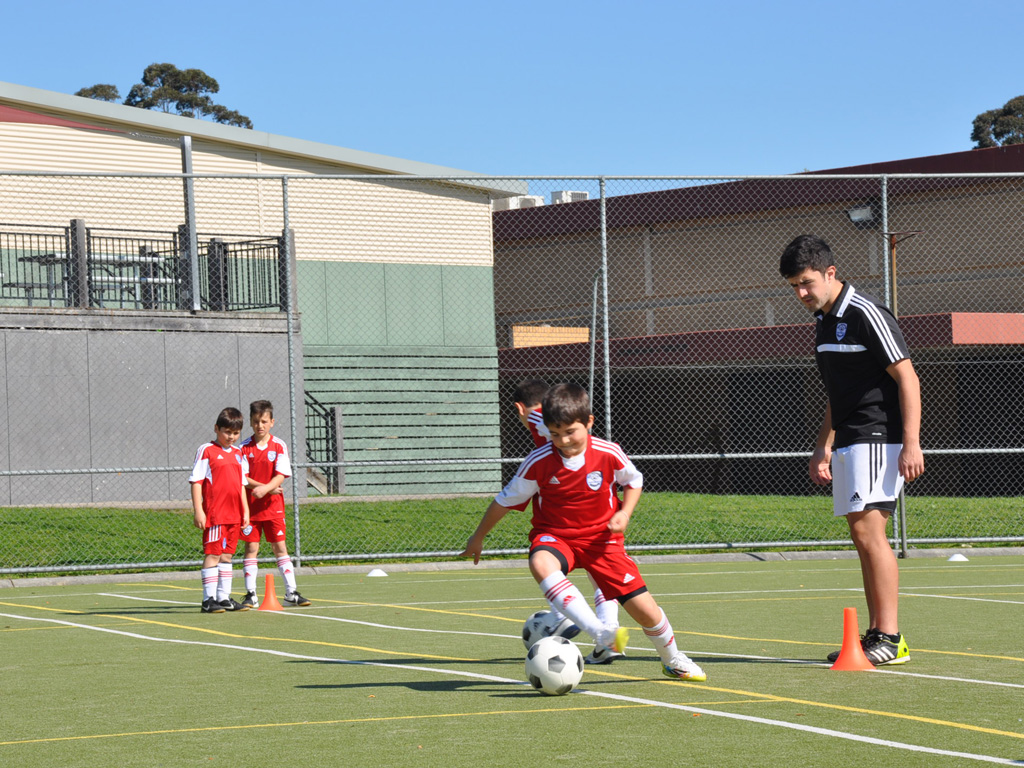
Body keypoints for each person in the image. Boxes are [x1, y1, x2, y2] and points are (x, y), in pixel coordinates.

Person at [462, 382, 706, 681]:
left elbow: (634, 480)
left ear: (589, 422)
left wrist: (624, 513)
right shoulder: (537, 462)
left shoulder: (607, 452)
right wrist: (478, 536)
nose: (563, 440)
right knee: (540, 562)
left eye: (570, 432)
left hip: (603, 540)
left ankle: (672, 659)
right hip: (557, 535)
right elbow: (504, 501)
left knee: (647, 612)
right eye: (554, 434)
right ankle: (601, 633)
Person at [780, 234, 925, 666]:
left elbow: (909, 379)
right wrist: (823, 446)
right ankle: (877, 634)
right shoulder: (824, 321)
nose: (802, 293)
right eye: (794, 286)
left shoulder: (866, 313)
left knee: (870, 534)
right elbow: (838, 393)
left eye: (806, 282)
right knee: (861, 538)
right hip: (848, 440)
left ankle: (891, 636)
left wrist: (912, 443)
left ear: (830, 273)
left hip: (879, 436)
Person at [513, 379, 623, 665]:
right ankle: (603, 633)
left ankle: (575, 621)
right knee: (597, 568)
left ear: (519, 409)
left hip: (581, 508)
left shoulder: (537, 418)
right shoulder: (554, 426)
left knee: (552, 560)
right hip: (598, 501)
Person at [237, 400, 310, 608]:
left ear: (272, 422)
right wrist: (263, 487)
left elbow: (281, 475)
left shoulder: (279, 445)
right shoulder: (243, 448)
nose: (260, 425)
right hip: (250, 507)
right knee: (251, 547)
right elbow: (243, 478)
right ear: (250, 423)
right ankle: (251, 594)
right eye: (255, 421)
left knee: (280, 546)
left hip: (273, 506)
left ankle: (291, 593)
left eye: (264, 421)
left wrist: (267, 489)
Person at [190, 407, 251, 613]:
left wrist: (245, 511)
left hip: (234, 516)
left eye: (235, 433)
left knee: (227, 556)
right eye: (227, 432)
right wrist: (199, 510)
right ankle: (208, 600)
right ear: (217, 429)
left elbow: (241, 484)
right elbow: (196, 481)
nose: (231, 437)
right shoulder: (206, 450)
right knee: (213, 554)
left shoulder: (238, 453)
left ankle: (224, 598)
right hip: (216, 515)